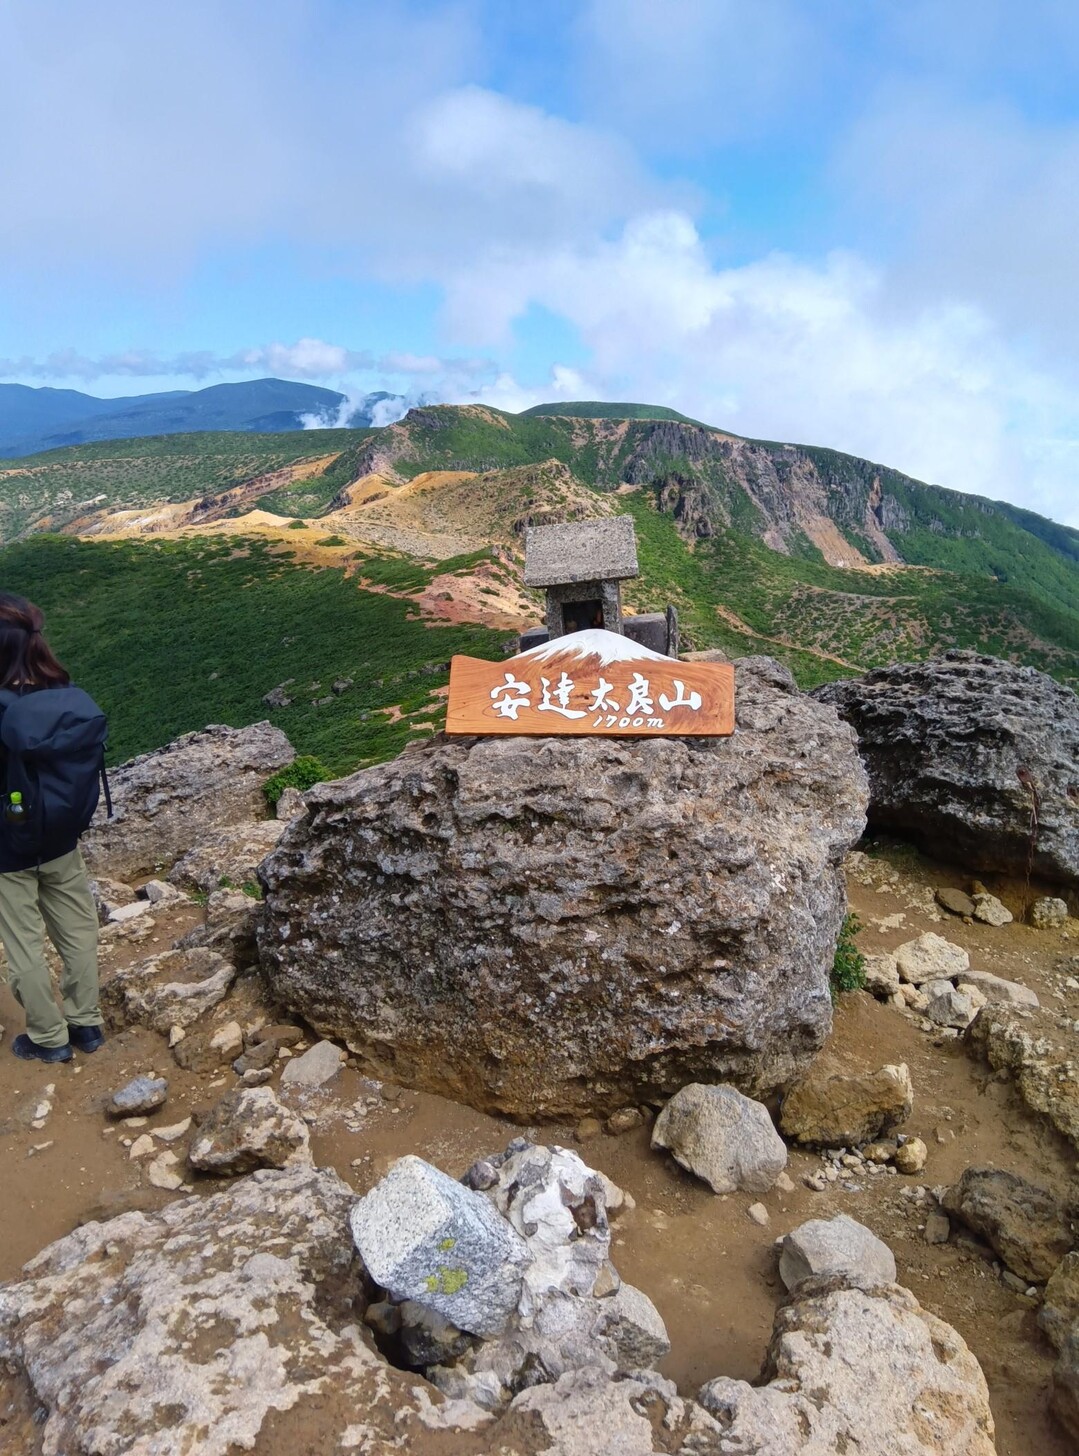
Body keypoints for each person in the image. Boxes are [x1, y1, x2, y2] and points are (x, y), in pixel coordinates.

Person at [0, 594, 106, 1063]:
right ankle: (87, 1024)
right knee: (78, 930)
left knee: (24, 943)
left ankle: (48, 1038)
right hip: (62, 834)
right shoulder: (62, 693)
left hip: (9, 848)